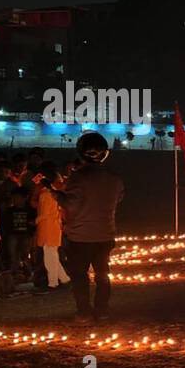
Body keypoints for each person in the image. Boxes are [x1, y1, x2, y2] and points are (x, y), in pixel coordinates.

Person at [53, 132, 124, 323]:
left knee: (80, 276)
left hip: (80, 236)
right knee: (102, 274)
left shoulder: (77, 178)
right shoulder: (115, 179)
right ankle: (102, 310)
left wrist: (56, 194)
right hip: (105, 234)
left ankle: (84, 312)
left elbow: (71, 204)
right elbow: (118, 199)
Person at [31, 168, 70, 290]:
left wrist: (36, 221)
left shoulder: (46, 195)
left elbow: (45, 213)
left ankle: (53, 282)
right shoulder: (49, 194)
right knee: (51, 255)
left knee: (50, 256)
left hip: (49, 227)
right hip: (50, 227)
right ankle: (64, 279)